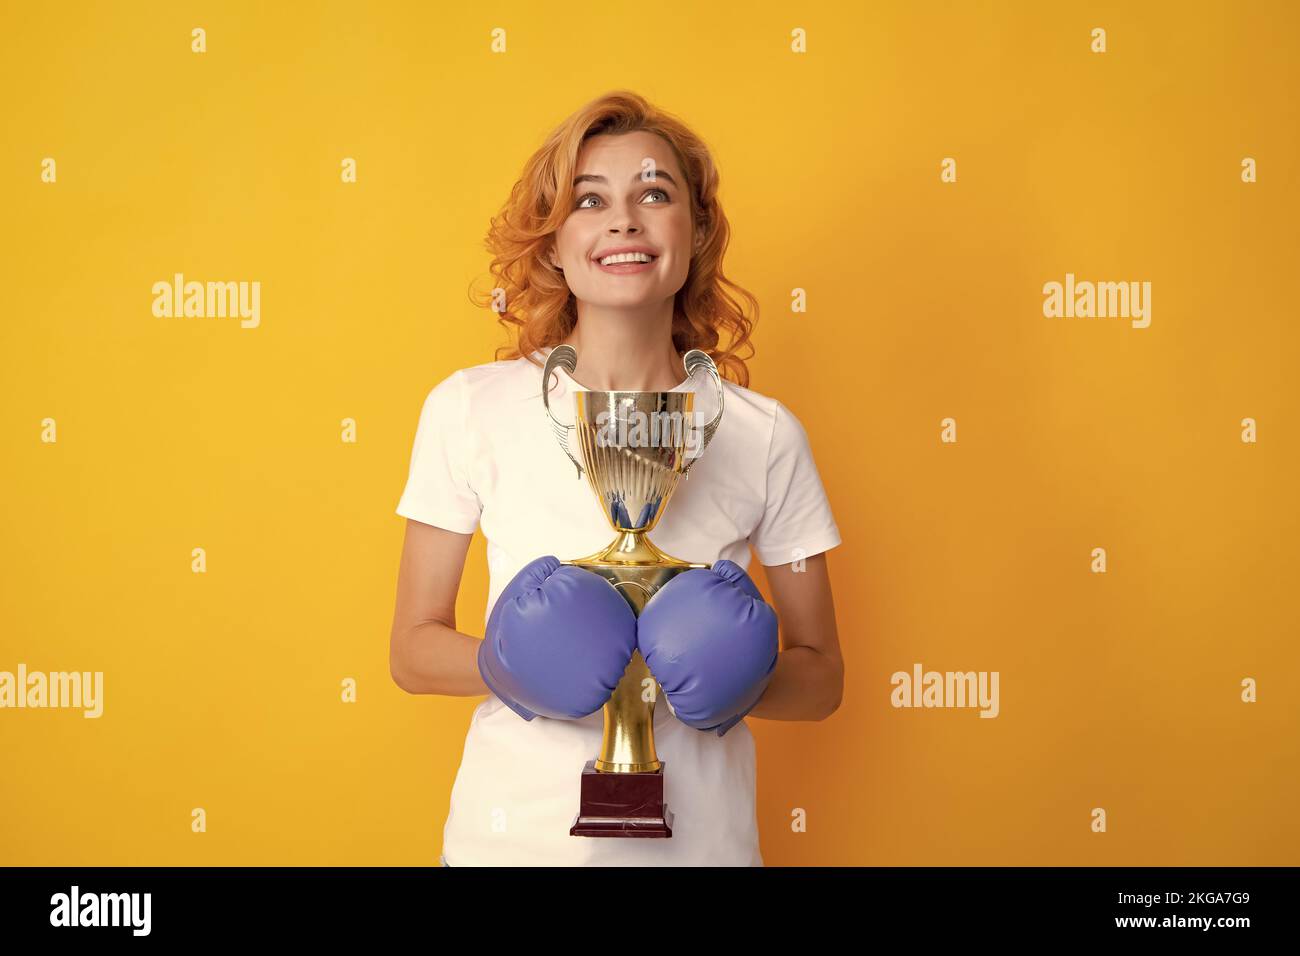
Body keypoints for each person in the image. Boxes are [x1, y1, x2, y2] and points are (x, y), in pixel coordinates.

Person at [390, 90, 843, 866]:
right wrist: (512, 664)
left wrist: (735, 677)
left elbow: (823, 678)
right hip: (510, 847)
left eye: (654, 193)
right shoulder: (469, 409)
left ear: (695, 232)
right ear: (555, 244)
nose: (623, 220)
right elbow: (411, 650)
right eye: (589, 199)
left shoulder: (763, 435)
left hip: (706, 851)